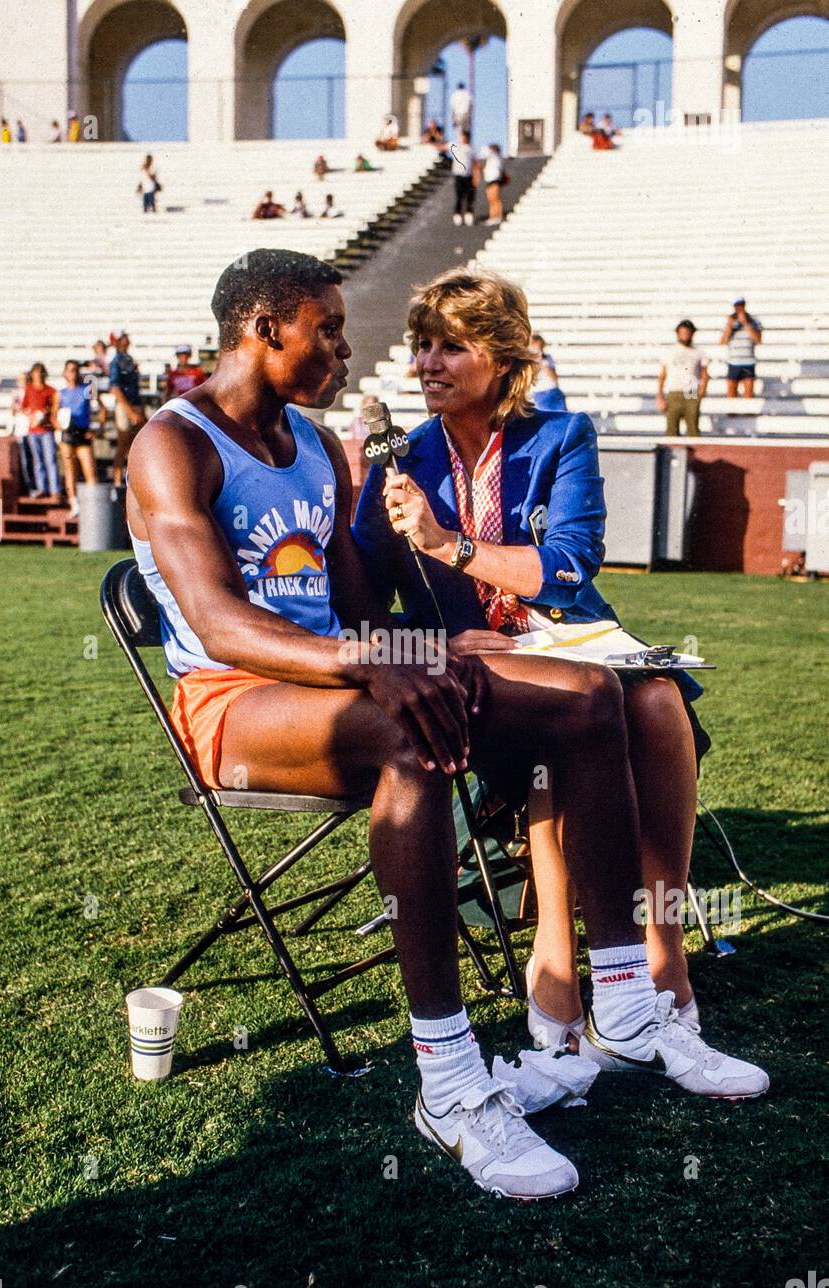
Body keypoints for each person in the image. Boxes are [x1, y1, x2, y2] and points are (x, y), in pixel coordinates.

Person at [127, 248, 758, 1207]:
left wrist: (427, 648)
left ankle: (624, 1003)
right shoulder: (172, 442)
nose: (345, 347)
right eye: (326, 329)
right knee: (408, 734)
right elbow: (218, 624)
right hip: (232, 700)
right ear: (263, 331)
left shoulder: (307, 440)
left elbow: (351, 603)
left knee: (586, 697)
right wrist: (381, 662)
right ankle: (451, 1083)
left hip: (341, 681)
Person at [353, 266, 768, 1102]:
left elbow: (570, 565)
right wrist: (422, 625)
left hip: (571, 635)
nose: (427, 363)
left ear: (504, 358)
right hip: (473, 661)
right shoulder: (398, 456)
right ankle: (570, 966)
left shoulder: (561, 434)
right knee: (579, 705)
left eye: (451, 346)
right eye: (420, 346)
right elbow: (362, 596)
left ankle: (660, 957)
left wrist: (448, 545)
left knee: (649, 696)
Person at [57, 360, 98, 517]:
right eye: (70, 370)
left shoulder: (86, 390)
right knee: (69, 469)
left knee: (89, 469)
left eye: (75, 370)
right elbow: (55, 415)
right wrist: (60, 424)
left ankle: (93, 504)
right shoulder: (60, 393)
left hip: (82, 432)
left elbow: (100, 410)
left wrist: (96, 429)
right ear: (65, 373)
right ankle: (74, 503)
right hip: (67, 433)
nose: (72, 373)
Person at [657, 320, 709, 437]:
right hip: (674, 392)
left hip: (691, 392)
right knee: (671, 430)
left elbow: (704, 373)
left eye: (687, 333)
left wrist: (702, 390)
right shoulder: (670, 351)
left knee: (693, 430)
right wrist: (660, 396)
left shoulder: (699, 352)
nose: (685, 335)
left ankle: (693, 455)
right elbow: (662, 375)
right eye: (682, 332)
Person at [108, 332, 145, 486]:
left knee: (134, 442)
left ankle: (130, 478)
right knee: (123, 441)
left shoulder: (128, 360)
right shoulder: (116, 362)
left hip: (133, 404)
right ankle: (117, 478)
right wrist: (130, 411)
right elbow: (115, 388)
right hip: (125, 405)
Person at [20, 362, 61, 500]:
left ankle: (55, 490)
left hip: (46, 429)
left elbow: (55, 407)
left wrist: (46, 412)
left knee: (50, 459)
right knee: (38, 461)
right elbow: (23, 407)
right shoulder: (29, 389)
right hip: (33, 430)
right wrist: (31, 416)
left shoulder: (50, 390)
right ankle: (42, 487)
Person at [721, 297, 763, 398]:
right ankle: (732, 414)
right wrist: (729, 327)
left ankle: (748, 414)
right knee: (731, 395)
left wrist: (745, 323)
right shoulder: (730, 321)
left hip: (748, 362)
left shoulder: (753, 320)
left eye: (741, 305)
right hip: (733, 362)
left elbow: (758, 340)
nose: (739, 308)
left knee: (748, 396)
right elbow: (722, 341)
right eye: (737, 306)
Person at [10, 372, 37, 496]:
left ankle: (36, 485)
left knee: (34, 458)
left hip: (32, 429)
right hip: (21, 429)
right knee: (25, 460)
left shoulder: (33, 393)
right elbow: (13, 410)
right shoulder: (16, 394)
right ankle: (29, 486)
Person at [530, 333, 567, 411]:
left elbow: (554, 378)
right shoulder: (528, 361)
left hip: (553, 390)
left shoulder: (547, 358)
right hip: (540, 393)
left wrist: (542, 363)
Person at [451, 130, 476, 226]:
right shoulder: (455, 146)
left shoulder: (470, 149)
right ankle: (457, 214)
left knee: (470, 196)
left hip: (468, 175)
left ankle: (469, 214)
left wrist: (476, 175)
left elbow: (475, 162)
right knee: (459, 195)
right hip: (459, 175)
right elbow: (443, 147)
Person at [481, 142, 506, 225]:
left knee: (495, 199)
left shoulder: (496, 157)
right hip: (489, 181)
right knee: (491, 200)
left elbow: (485, 150)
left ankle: (498, 216)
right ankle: (493, 216)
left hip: (495, 180)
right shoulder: (491, 159)